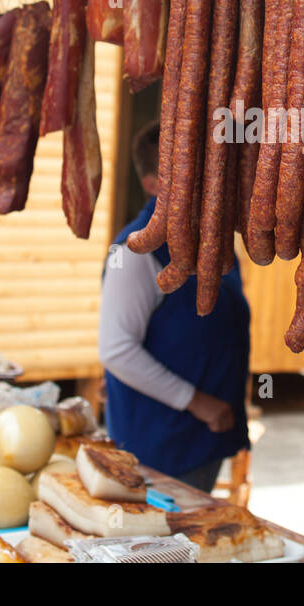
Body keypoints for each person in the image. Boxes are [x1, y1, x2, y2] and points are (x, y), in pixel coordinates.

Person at [97, 121, 251, 493]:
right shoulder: (134, 253)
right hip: (159, 448)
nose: (199, 178)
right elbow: (116, 349)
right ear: (151, 185)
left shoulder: (216, 241)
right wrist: (198, 403)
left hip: (204, 441)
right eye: (182, 170)